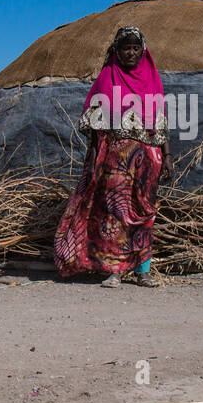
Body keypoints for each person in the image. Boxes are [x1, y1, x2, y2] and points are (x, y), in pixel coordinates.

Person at [54, 26, 174, 287]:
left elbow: (161, 120)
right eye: (125, 48)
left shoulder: (152, 79)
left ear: (142, 51)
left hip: (148, 159)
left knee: (145, 213)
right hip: (115, 159)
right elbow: (96, 123)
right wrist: (94, 154)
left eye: (135, 48)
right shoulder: (108, 78)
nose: (130, 53)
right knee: (114, 212)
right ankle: (115, 270)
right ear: (116, 51)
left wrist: (167, 156)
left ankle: (143, 271)